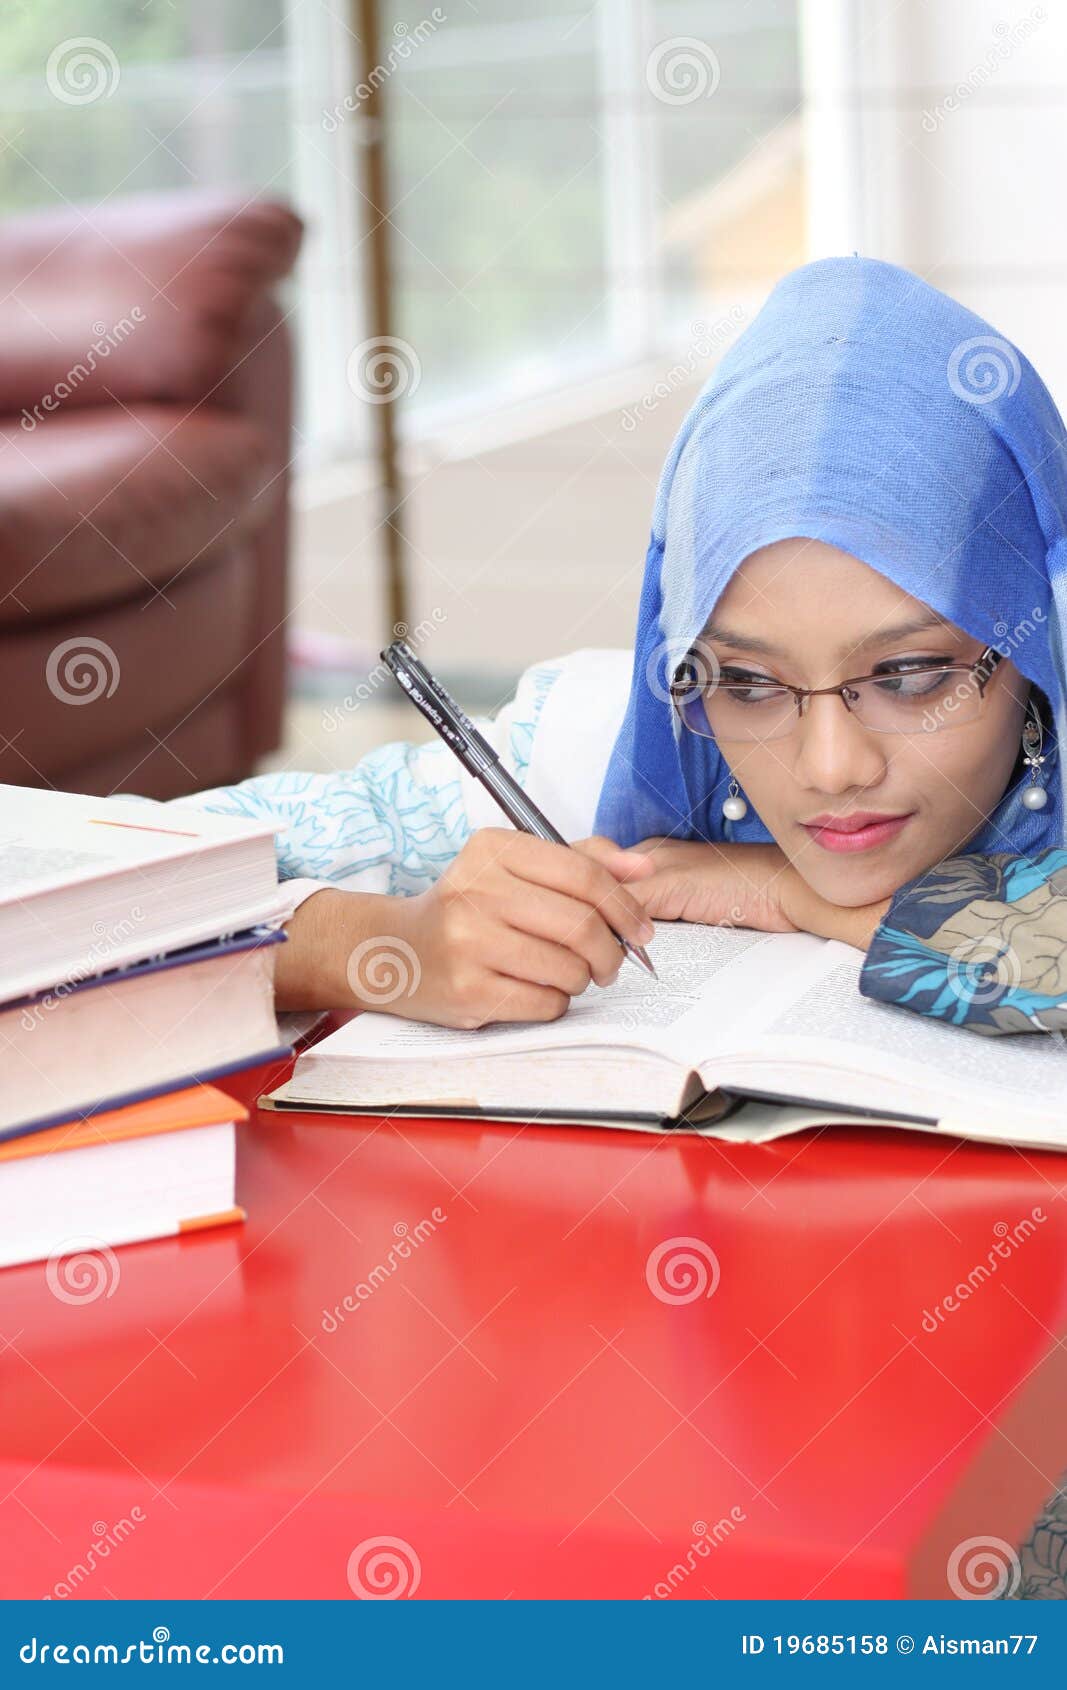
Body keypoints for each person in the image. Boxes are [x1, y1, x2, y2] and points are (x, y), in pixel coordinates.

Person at [188, 256, 1067, 1035]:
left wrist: (773, 889)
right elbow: (99, 887)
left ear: (1032, 636)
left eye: (906, 676)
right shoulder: (588, 744)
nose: (831, 768)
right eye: (749, 684)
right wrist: (382, 942)